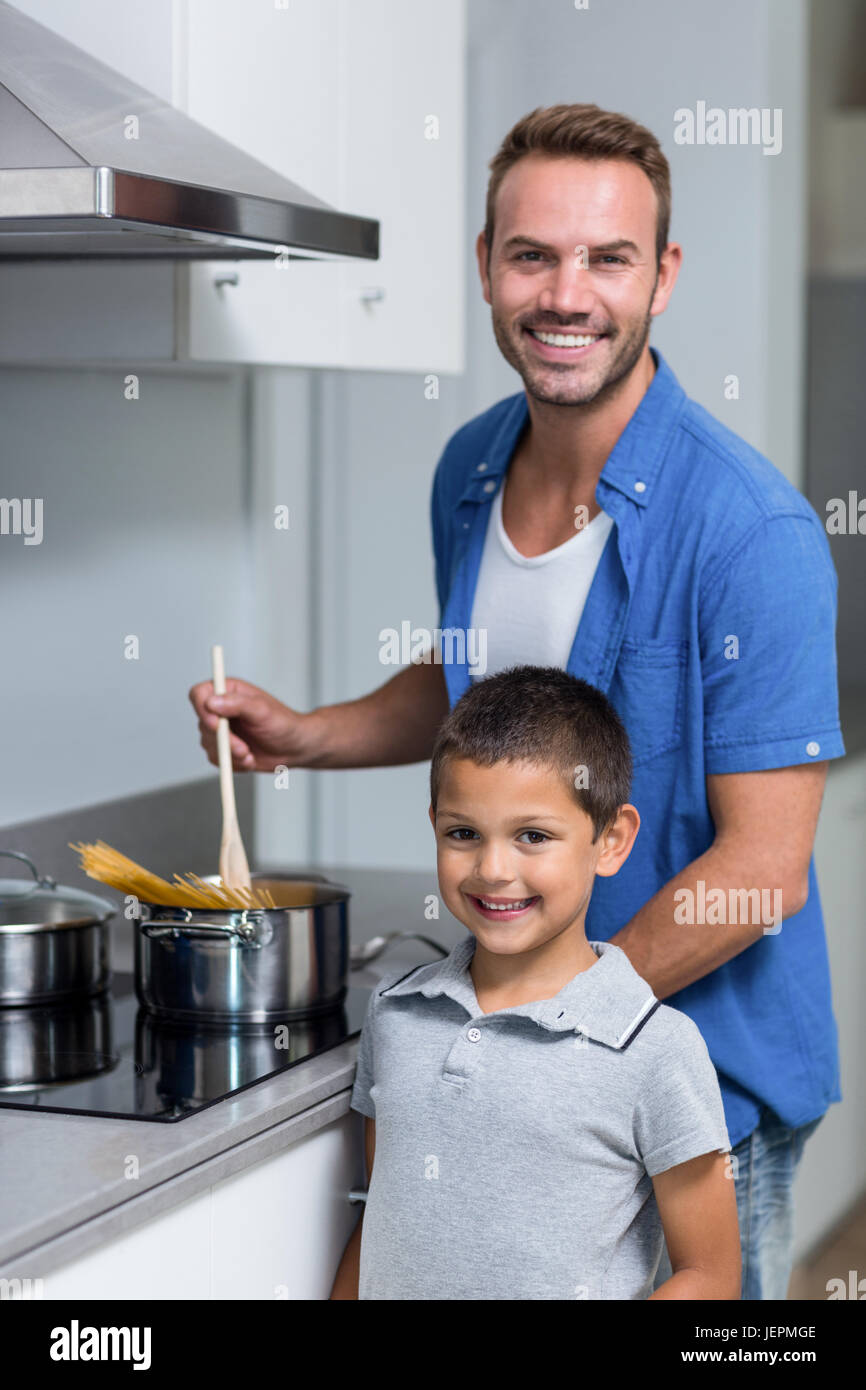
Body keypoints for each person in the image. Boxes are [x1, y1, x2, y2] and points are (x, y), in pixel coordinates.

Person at [189, 103, 845, 1299]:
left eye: (607, 257)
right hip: (524, 1057)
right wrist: (306, 734)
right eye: (533, 254)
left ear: (663, 275)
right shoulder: (470, 468)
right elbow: (472, 689)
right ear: (486, 265)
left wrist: (555, 1026)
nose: (566, 293)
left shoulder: (751, 532)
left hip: (701, 1078)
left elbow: (767, 867)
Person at [329, 665, 740, 1300]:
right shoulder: (397, 1013)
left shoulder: (656, 1050)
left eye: (533, 837)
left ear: (611, 841)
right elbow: (381, 1220)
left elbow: (709, 1276)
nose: (493, 869)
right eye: (463, 834)